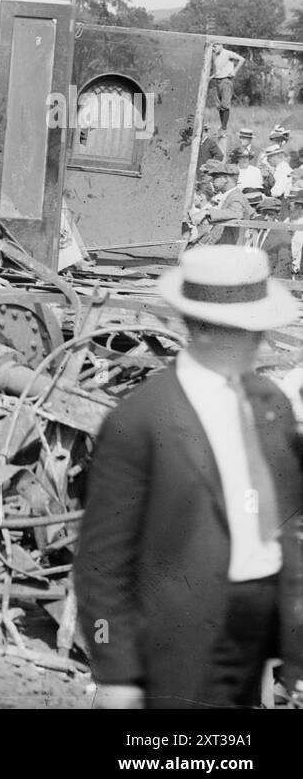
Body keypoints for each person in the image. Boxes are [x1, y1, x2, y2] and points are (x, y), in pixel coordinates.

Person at [75, 244, 303, 709]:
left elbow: (284, 529)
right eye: (232, 331)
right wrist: (114, 672)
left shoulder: (271, 405)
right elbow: (101, 564)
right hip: (176, 639)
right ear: (196, 327)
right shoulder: (141, 420)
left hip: (255, 635)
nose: (248, 342)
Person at [209, 42, 246, 131]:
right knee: (219, 105)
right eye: (213, 47)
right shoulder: (214, 55)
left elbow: (242, 59)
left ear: (221, 45)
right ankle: (222, 126)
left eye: (215, 46)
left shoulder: (228, 53)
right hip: (217, 81)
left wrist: (235, 71)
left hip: (226, 80)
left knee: (225, 105)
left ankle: (224, 127)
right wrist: (210, 77)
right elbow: (217, 71)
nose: (214, 48)